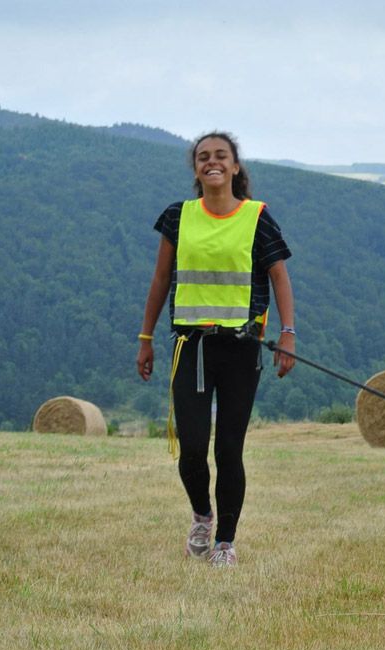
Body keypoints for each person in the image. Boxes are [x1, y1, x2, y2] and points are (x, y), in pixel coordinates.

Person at [136, 131, 296, 567]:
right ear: (196, 168)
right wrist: (145, 338)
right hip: (191, 345)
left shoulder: (257, 217)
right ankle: (202, 517)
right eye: (203, 157)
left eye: (221, 156)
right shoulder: (177, 216)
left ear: (235, 166)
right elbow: (159, 280)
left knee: (228, 449)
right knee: (190, 449)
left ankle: (225, 543)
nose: (213, 162)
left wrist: (288, 334)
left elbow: (280, 278)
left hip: (243, 349)